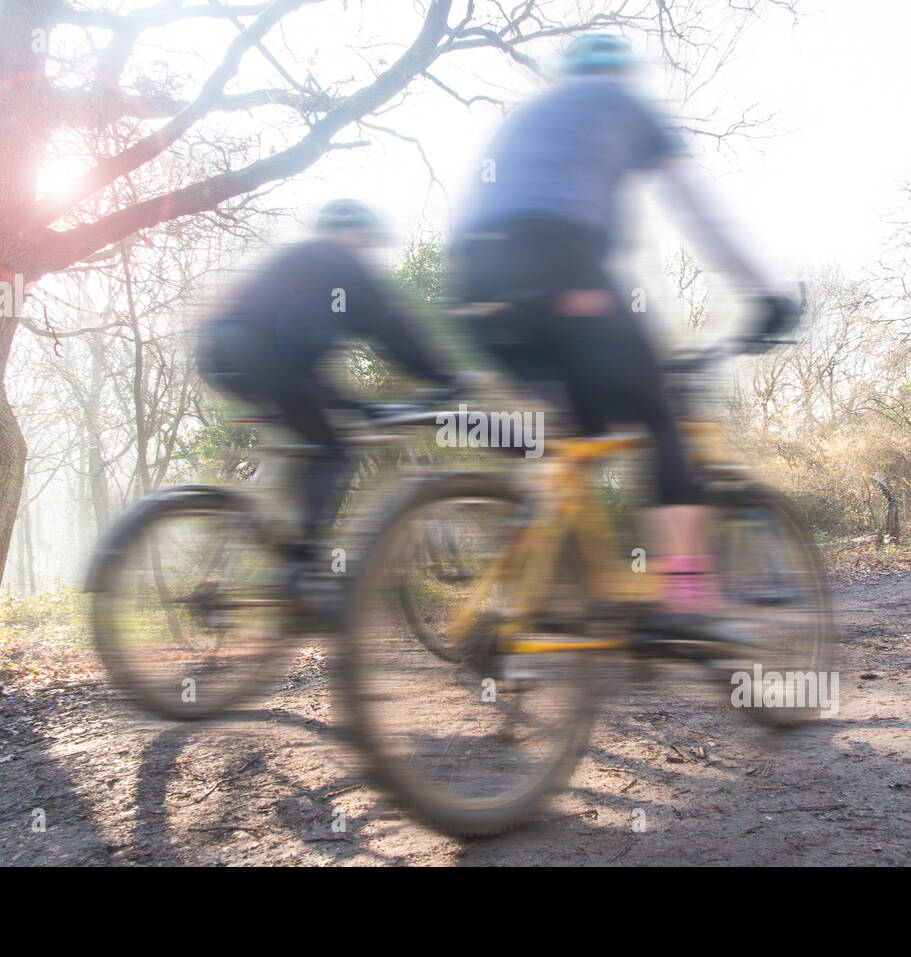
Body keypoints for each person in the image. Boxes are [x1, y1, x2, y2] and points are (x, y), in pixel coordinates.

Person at [449, 33, 800, 636]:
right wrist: (765, 293)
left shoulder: (532, 115)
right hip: (557, 267)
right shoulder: (621, 102)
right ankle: (684, 599)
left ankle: (534, 587)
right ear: (622, 74)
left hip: (473, 284)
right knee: (659, 415)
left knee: (576, 433)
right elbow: (699, 209)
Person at [197, 199, 457, 562]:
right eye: (367, 242)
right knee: (333, 450)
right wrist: (444, 376)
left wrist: (358, 404)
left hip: (221, 350)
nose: (368, 252)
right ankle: (301, 569)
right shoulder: (337, 259)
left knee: (311, 433)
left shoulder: (310, 267)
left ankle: (278, 537)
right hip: (257, 353)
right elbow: (390, 327)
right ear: (353, 233)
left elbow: (316, 365)